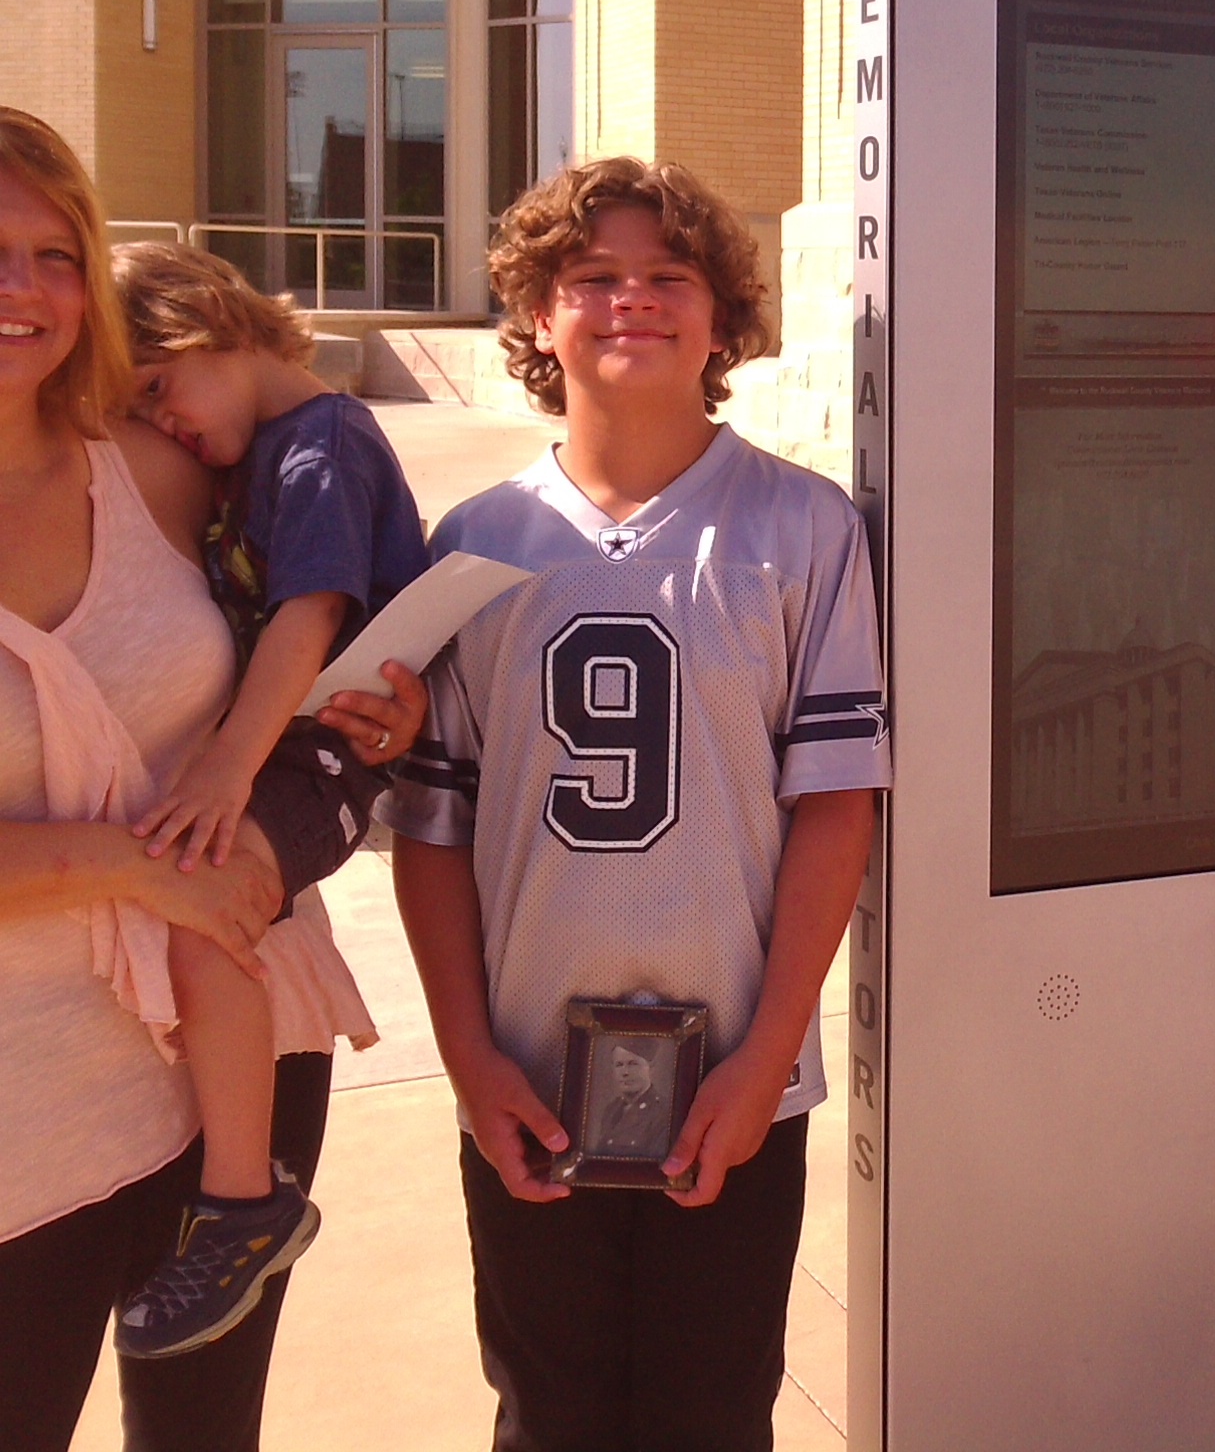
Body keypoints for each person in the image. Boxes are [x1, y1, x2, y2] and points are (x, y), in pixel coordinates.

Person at [382, 156, 892, 1452]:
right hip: (527, 1081)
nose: (630, 301)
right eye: (591, 278)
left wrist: (770, 1048)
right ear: (536, 317)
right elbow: (432, 829)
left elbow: (835, 805)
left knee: (713, 1415)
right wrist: (466, 1058)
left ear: (722, 316)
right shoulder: (474, 545)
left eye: (667, 277)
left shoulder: (802, 528)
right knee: (546, 1411)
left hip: (732, 1077)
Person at [0, 108, 423, 1452]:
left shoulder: (162, 464)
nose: (23, 289)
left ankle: (246, 1202)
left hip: (237, 1052)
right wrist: (134, 867)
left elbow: (299, 621)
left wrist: (380, 699)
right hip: (26, 1113)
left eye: (55, 251)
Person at [90, 242, 427, 1359]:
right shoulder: (270, 449)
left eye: (158, 390)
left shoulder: (319, 444)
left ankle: (245, 1202)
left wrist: (228, 765)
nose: (168, 424)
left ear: (205, 328)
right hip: (285, 743)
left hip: (317, 757)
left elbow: (312, 612)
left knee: (199, 894)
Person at [593, 1045, 672, 1158]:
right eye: (619, 1065)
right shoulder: (611, 1110)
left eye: (633, 1064)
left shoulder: (663, 1113)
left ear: (651, 1067)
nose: (625, 1072)